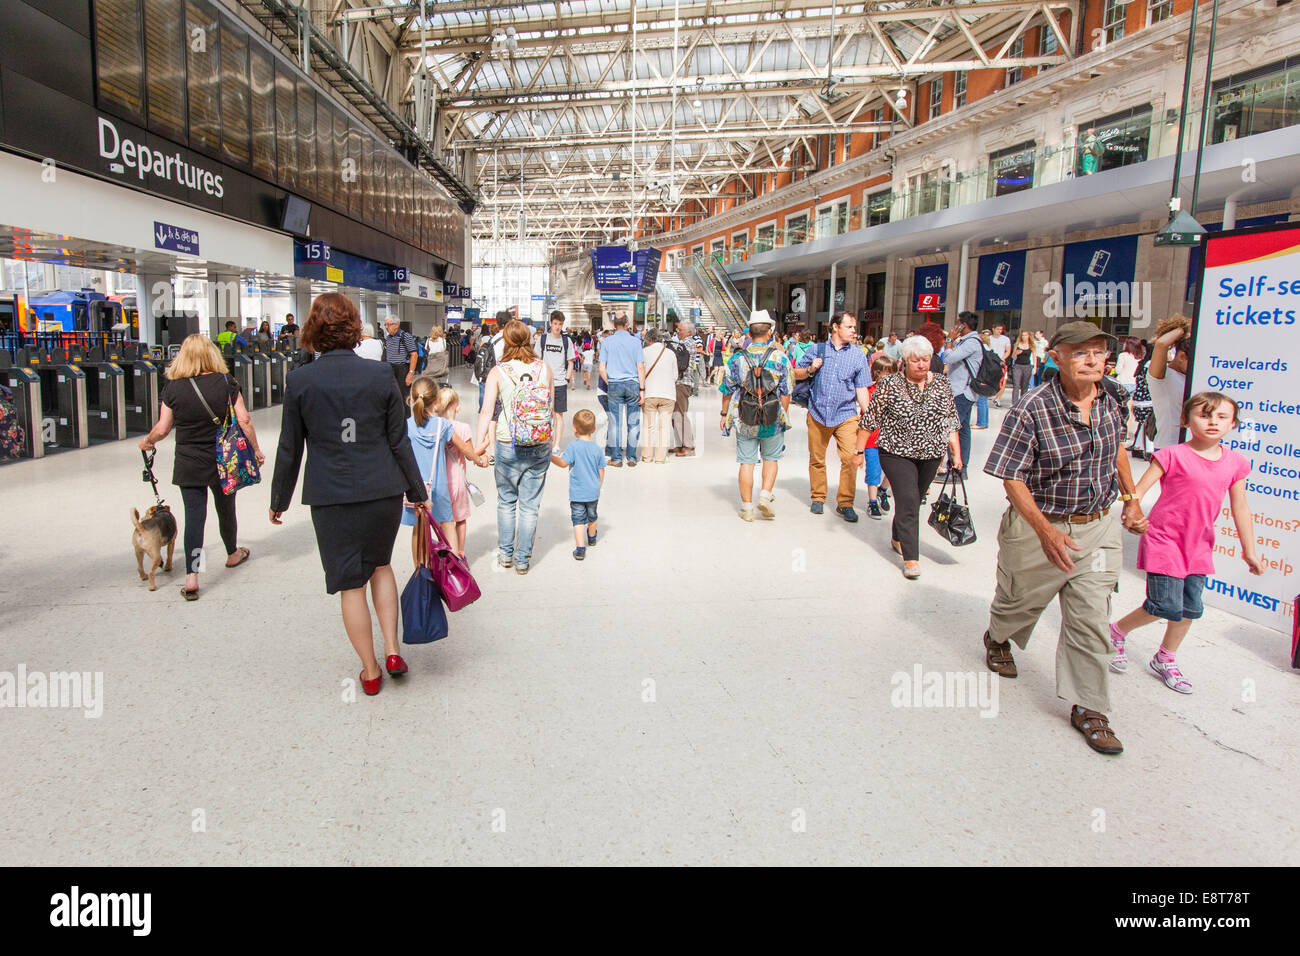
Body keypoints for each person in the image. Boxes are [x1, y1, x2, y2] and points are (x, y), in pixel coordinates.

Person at [981, 322, 1144, 755]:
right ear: (1056, 357)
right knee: (1018, 602)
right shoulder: (1032, 407)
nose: (1093, 360)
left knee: (1091, 617)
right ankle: (997, 636)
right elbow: (1011, 476)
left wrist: (1131, 498)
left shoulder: (1113, 398)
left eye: (1099, 352)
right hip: (1038, 525)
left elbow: (1117, 450)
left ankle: (1089, 706)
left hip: (1098, 526)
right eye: (1081, 353)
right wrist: (1046, 531)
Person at [268, 293, 429, 696]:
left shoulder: (301, 381)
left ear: (313, 330)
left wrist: (279, 499)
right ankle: (393, 649)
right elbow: (399, 441)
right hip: (382, 490)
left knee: (350, 583)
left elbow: (291, 447)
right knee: (380, 566)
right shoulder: (379, 376)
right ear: (354, 327)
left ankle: (370, 670)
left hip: (330, 494)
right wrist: (417, 490)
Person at [1107, 392, 1262, 695]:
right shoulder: (1171, 455)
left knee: (1190, 608)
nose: (1213, 422)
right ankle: (1116, 632)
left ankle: (1165, 658)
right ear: (1186, 420)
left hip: (1199, 546)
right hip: (1164, 539)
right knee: (1163, 605)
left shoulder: (1236, 463)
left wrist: (1250, 550)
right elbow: (1136, 492)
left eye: (1221, 417)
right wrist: (1131, 514)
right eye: (1205, 415)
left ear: (1233, 424)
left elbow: (1240, 507)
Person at [137, 333, 263, 601]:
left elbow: (162, 428)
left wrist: (147, 442)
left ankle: (193, 575)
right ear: (211, 354)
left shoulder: (172, 387)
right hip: (223, 459)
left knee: (195, 516)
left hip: (188, 460)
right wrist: (255, 449)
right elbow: (244, 420)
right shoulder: (226, 382)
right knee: (225, 508)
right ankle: (232, 554)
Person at [858, 336, 959, 579]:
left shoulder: (942, 384)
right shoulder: (890, 384)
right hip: (896, 452)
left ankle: (896, 536)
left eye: (925, 360)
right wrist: (859, 451)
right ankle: (911, 558)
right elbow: (870, 419)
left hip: (931, 453)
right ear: (904, 361)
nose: (922, 365)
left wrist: (955, 452)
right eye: (916, 361)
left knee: (912, 500)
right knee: (909, 499)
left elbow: (950, 418)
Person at [475, 319, 554, 574]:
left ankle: (505, 556)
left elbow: (486, 411)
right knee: (530, 505)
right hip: (539, 443)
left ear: (506, 342)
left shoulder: (498, 372)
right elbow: (549, 409)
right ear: (530, 340)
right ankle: (522, 560)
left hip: (508, 443)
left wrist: (480, 444)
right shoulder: (545, 368)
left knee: (507, 501)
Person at [400, 376, 488, 563]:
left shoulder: (406, 426)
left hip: (415, 489)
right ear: (437, 402)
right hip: (439, 487)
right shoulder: (443, 425)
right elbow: (464, 449)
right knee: (448, 525)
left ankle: (421, 571)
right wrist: (478, 459)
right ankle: (453, 569)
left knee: (419, 529)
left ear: (412, 399)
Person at [794, 312, 872, 521]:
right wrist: (811, 369)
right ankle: (818, 497)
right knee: (817, 458)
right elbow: (795, 372)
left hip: (846, 414)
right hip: (818, 412)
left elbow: (862, 388)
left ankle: (845, 503)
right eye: (850, 327)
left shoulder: (858, 355)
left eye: (854, 327)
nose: (854, 331)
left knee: (850, 458)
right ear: (835, 327)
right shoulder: (816, 349)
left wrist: (869, 414)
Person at [718, 311, 790, 521]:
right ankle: (765, 496)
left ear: (750, 332)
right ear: (769, 332)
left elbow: (727, 389)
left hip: (745, 416)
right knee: (771, 459)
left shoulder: (737, 358)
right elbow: (786, 392)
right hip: (772, 417)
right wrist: (783, 415)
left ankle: (747, 507)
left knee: (747, 462)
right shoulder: (780, 357)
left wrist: (724, 414)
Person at [550, 409, 606, 560]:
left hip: (577, 492)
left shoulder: (573, 447)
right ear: (594, 429)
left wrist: (551, 457)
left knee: (578, 518)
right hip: (593, 491)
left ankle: (580, 548)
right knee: (592, 516)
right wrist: (598, 485)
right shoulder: (597, 449)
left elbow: (563, 463)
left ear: (574, 428)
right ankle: (592, 537)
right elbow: (601, 469)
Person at [597, 313, 646, 467]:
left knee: (615, 423)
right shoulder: (636, 342)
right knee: (633, 422)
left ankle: (617, 458)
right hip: (632, 384)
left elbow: (601, 368)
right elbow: (640, 367)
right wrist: (642, 389)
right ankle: (631, 458)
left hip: (614, 385)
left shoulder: (607, 342)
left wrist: (609, 382)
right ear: (627, 324)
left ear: (614, 325)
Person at [939, 312, 983, 479]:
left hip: (962, 392)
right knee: (962, 430)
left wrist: (949, 340)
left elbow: (948, 358)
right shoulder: (969, 342)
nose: (955, 327)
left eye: (958, 324)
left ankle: (955, 468)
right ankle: (959, 469)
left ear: (963, 325)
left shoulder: (971, 343)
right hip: (963, 391)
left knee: (953, 430)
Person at [436, 385, 476, 556]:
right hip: (458, 482)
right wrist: (483, 452)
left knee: (442, 520)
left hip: (440, 482)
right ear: (456, 406)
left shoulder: (435, 427)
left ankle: (443, 551)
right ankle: (460, 551)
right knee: (460, 519)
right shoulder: (463, 428)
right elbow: (470, 454)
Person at [857, 354, 896, 520]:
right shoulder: (869, 391)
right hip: (872, 439)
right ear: (877, 373)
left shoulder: (898, 392)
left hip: (893, 440)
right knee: (873, 471)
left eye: (892, 373)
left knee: (894, 472)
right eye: (885, 373)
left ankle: (883, 490)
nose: (888, 377)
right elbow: (865, 414)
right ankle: (872, 501)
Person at [1146, 314, 1191, 452]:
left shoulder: (1188, 377)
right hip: (1168, 448)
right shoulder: (1162, 376)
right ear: (1182, 356)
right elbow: (1161, 344)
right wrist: (1184, 328)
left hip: (1189, 447)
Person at [640, 329, 677, 464]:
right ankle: (660, 458)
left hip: (649, 393)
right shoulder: (671, 353)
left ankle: (647, 456)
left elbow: (640, 372)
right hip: (668, 394)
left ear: (649, 340)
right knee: (664, 427)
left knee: (648, 427)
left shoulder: (644, 352)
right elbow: (675, 376)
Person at [537, 311, 575, 445]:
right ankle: (545, 441)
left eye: (560, 324)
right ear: (550, 323)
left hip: (560, 383)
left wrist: (567, 379)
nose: (557, 327)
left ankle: (557, 444)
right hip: (544, 383)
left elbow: (571, 361)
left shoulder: (566, 341)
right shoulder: (542, 339)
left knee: (558, 415)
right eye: (555, 324)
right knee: (543, 414)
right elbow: (537, 360)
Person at [670, 319, 702, 456]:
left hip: (681, 383)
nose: (678, 332)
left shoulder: (686, 344)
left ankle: (688, 446)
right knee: (675, 415)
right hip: (680, 383)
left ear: (689, 332)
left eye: (680, 330)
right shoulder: (684, 343)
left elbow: (678, 362)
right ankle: (680, 444)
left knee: (680, 414)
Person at [382, 316, 420, 401]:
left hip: (402, 370)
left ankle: (405, 414)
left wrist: (410, 373)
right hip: (390, 369)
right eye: (385, 325)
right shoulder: (388, 338)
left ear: (396, 325)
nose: (386, 327)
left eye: (389, 324)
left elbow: (414, 355)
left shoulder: (406, 336)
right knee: (391, 397)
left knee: (403, 397)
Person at [974, 330, 994, 430]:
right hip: (988, 377)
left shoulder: (981, 349)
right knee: (984, 400)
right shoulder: (989, 349)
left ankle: (981, 422)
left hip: (982, 376)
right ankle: (984, 421)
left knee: (981, 400)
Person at [1009, 330, 1036, 403]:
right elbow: (1012, 356)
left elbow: (1034, 357)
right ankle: (1014, 402)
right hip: (1018, 366)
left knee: (1025, 385)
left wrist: (1035, 367)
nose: (1024, 337)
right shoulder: (1017, 344)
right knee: (1016, 385)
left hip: (1027, 366)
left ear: (1028, 336)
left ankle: (1022, 402)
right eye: (1023, 335)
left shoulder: (1031, 345)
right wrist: (1016, 352)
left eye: (1026, 335)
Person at [989, 324, 1012, 407]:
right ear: (993, 329)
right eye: (998, 329)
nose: (999, 331)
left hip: (1001, 362)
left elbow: (1008, 351)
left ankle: (998, 398)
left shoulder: (1005, 339)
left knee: (1003, 381)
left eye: (1001, 329)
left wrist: (1002, 359)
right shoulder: (989, 339)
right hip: (991, 362)